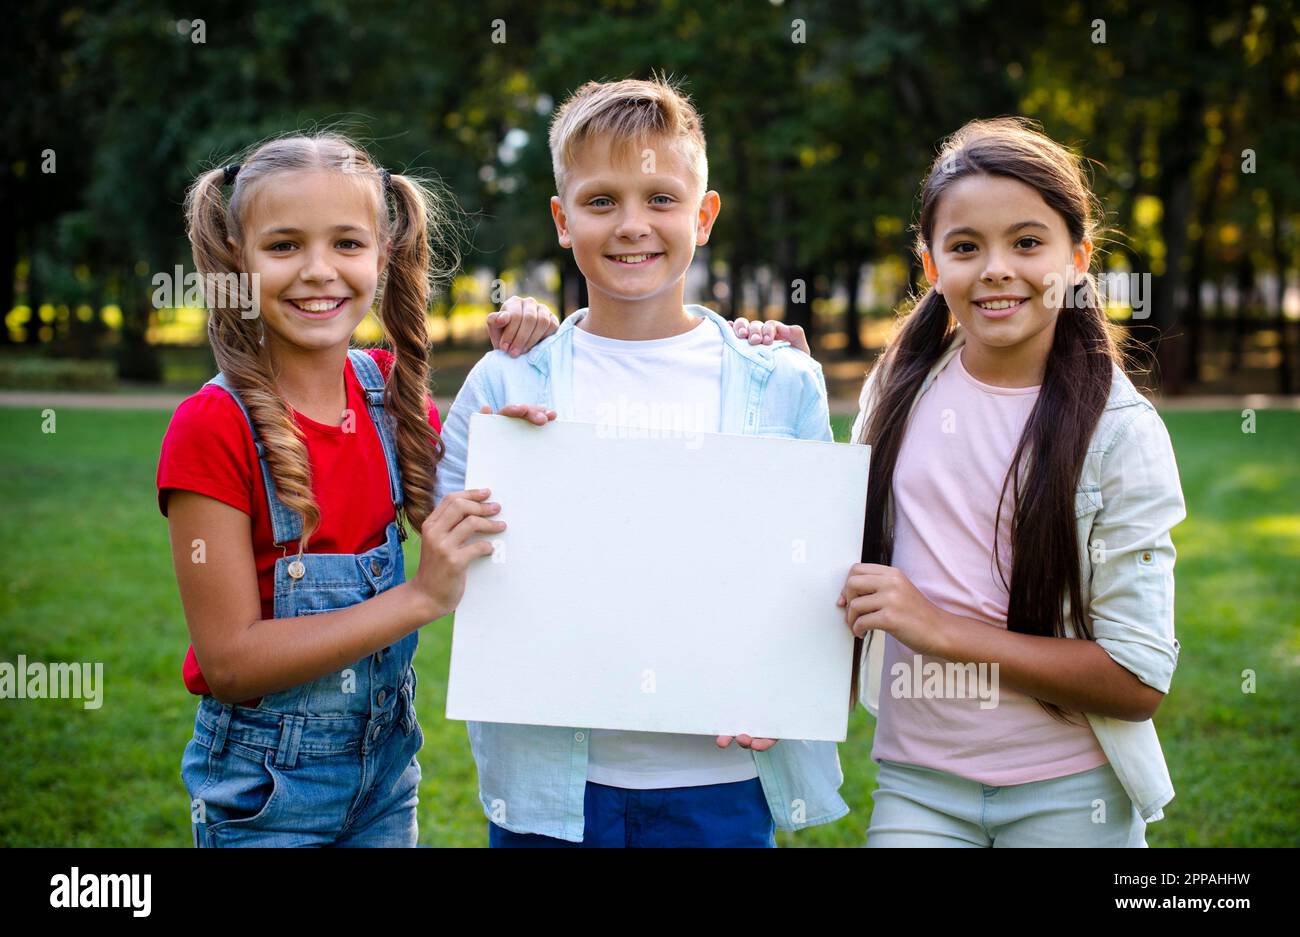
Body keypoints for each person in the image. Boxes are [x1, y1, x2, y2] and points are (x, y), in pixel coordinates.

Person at [436, 77, 850, 847]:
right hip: (553, 791)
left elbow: (811, 570)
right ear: (563, 220)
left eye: (661, 198)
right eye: (601, 202)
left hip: (719, 784)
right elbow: (442, 557)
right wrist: (504, 474)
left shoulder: (779, 381)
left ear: (704, 214)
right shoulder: (509, 380)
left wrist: (781, 689)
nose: (633, 225)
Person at [159, 132, 555, 846]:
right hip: (266, 795)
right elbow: (229, 659)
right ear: (237, 260)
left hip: (386, 775)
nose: (318, 271)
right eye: (283, 246)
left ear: (383, 254)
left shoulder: (393, 402)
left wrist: (533, 372)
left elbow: (506, 508)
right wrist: (418, 598)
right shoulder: (211, 428)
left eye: (346, 243)